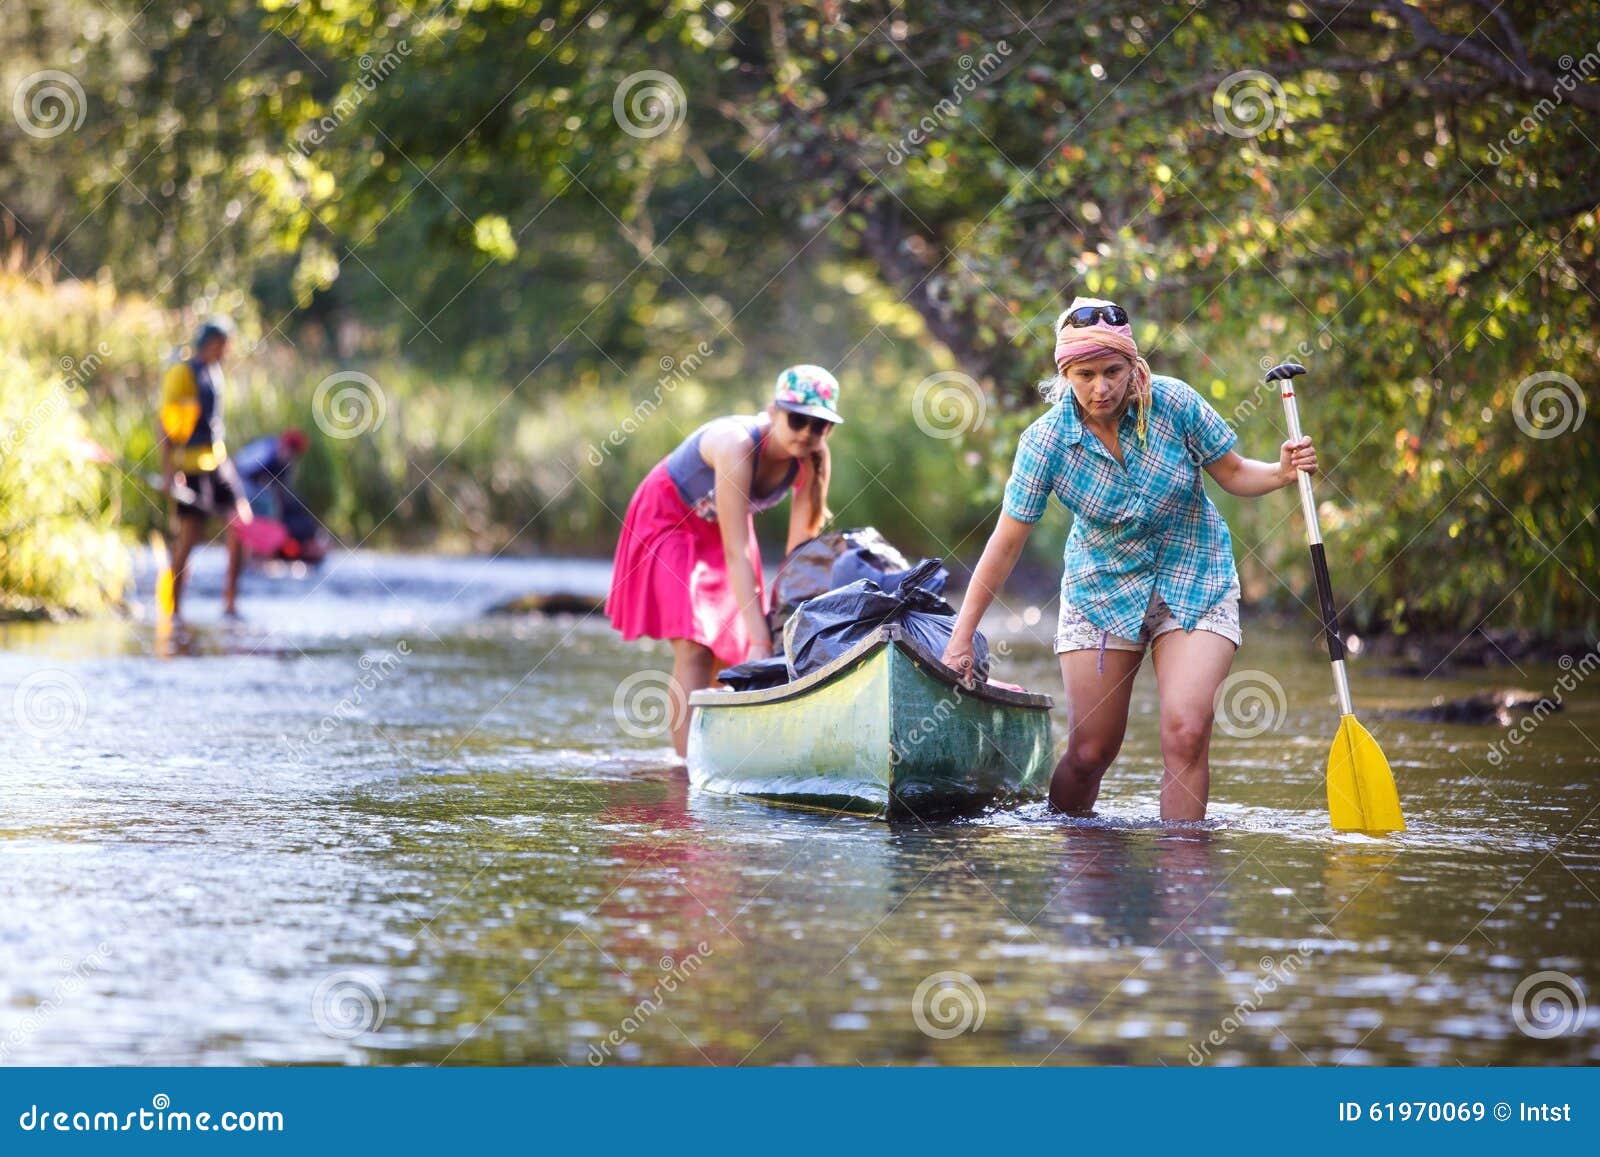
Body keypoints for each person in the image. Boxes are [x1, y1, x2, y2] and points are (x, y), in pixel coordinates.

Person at [941, 298, 1318, 823]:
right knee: (1092, 751)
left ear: (1134, 366)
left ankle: (1183, 876)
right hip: (1101, 593)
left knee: (1186, 734)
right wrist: (961, 641)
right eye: (1087, 374)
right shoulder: (1044, 444)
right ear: (1065, 374)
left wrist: (1279, 472)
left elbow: (1233, 474)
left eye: (1114, 372)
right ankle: (1075, 857)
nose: (1102, 388)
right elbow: (1004, 546)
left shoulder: (1175, 404)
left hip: (1196, 580)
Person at [607, 365, 840, 757]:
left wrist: (793, 626)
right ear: (772, 410)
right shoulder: (737, 446)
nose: (806, 433)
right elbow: (737, 551)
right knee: (696, 646)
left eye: (818, 426)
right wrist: (762, 639)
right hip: (669, 518)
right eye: (797, 419)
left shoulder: (812, 461)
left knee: (731, 649)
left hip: (721, 528)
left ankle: (718, 753)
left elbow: (800, 556)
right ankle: (686, 765)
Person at [157, 316, 253, 618]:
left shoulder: (216, 371)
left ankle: (230, 601)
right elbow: (167, 428)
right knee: (189, 536)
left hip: (218, 461)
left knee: (242, 523)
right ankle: (174, 609)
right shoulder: (184, 374)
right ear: (214, 343)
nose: (228, 350)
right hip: (191, 463)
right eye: (226, 344)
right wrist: (170, 473)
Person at [233, 428, 326, 562]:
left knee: (271, 510)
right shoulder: (267, 450)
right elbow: (241, 467)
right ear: (284, 444)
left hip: (256, 490)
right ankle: (253, 554)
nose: (291, 456)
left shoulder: (285, 464)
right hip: (239, 483)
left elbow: (281, 492)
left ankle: (262, 553)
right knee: (262, 510)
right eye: (291, 451)